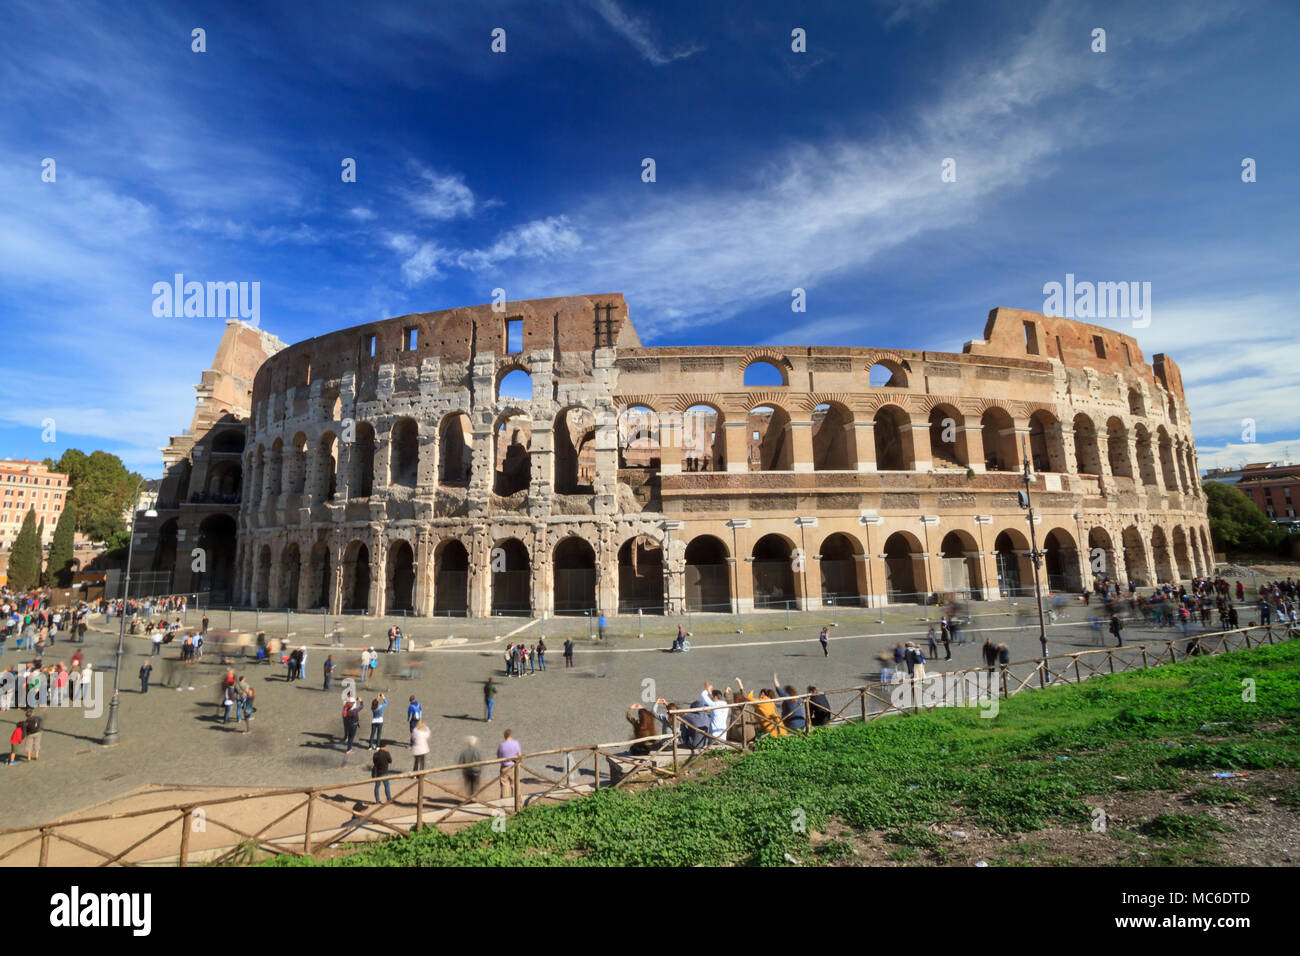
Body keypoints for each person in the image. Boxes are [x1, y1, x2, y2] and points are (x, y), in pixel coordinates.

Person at [497, 729, 522, 799]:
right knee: (515, 783)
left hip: (504, 767)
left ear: (505, 736)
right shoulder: (516, 743)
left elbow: (498, 757)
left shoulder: (501, 745)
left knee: (504, 784)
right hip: (514, 766)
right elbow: (519, 755)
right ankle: (516, 800)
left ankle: (504, 801)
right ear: (511, 735)